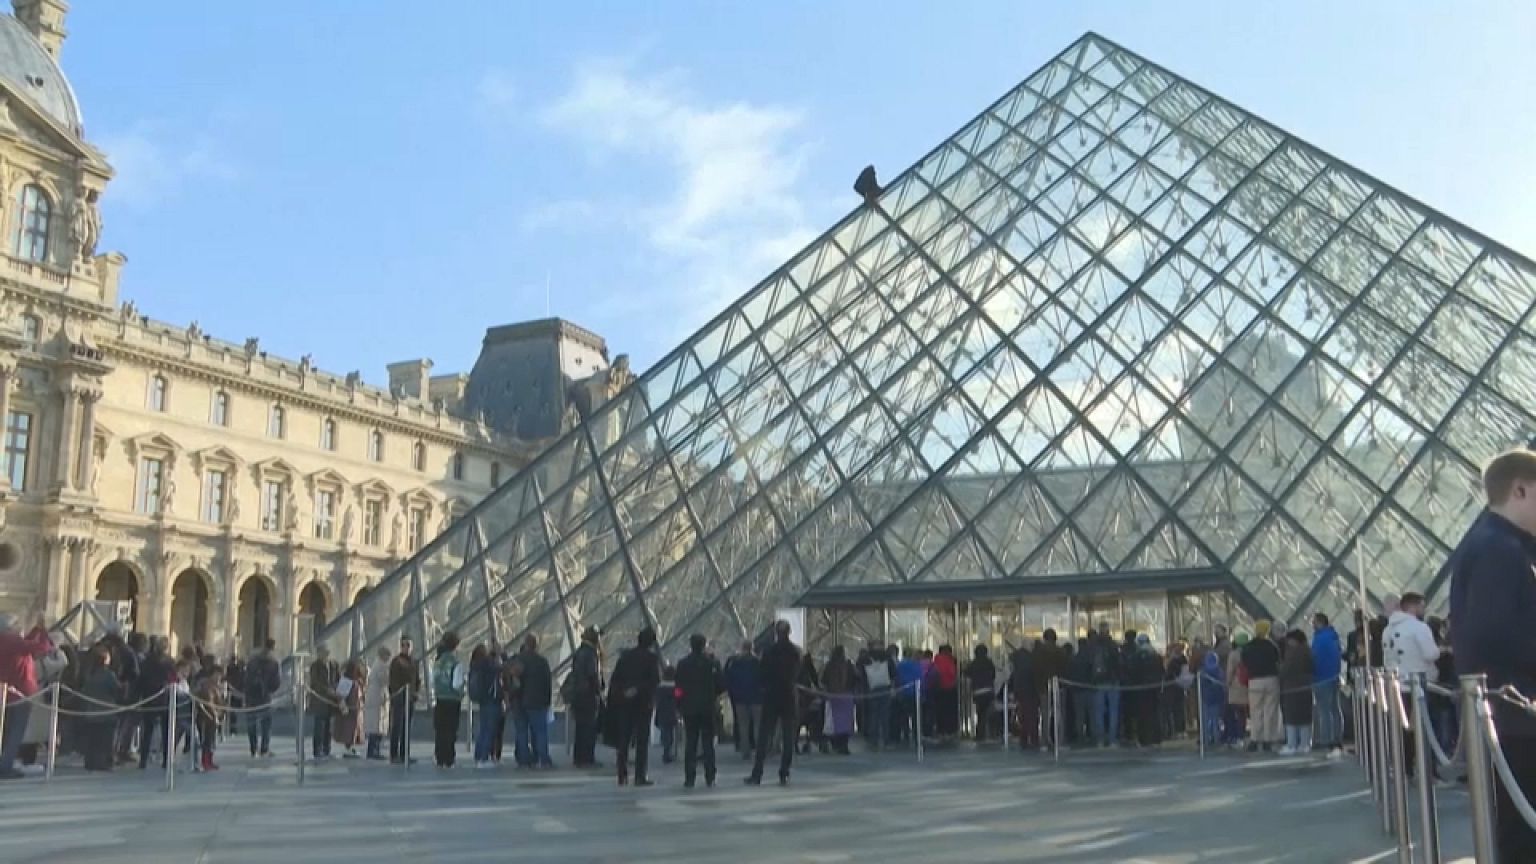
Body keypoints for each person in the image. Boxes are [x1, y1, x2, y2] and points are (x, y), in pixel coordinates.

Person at [1384, 591, 1439, 776]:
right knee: (1425, 730)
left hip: (1398, 685)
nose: (1423, 609)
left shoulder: (1387, 630)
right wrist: (1440, 651)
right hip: (1420, 684)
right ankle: (1428, 771)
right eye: (1422, 606)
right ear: (1413, 606)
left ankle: (1404, 767)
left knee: (1403, 730)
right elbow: (1430, 654)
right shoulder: (1419, 628)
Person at [747, 620, 801, 786]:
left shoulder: (769, 651)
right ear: (789, 632)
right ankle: (784, 772)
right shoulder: (795, 652)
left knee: (764, 736)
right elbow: (797, 673)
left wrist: (765, 686)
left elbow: (761, 674)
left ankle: (757, 773)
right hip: (788, 695)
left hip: (771, 696)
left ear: (776, 633)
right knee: (788, 736)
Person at [611, 627, 662, 786]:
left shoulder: (625, 657)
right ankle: (640, 776)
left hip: (624, 702)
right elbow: (654, 681)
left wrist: (624, 692)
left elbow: (615, 679)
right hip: (643, 703)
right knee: (642, 740)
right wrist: (638, 689)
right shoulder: (651, 658)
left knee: (624, 739)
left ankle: (622, 774)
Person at [675, 633, 724, 788]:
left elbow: (678, 688)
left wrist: (679, 704)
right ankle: (710, 776)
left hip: (689, 708)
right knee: (708, 742)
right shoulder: (712, 663)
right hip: (707, 707)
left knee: (691, 742)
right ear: (704, 645)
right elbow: (721, 685)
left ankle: (690, 777)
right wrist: (714, 695)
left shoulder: (682, 664)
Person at [564, 627, 603, 768]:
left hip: (578, 695)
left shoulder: (579, 652)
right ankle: (587, 758)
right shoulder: (591, 653)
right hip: (588, 696)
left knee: (580, 728)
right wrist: (599, 690)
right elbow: (593, 675)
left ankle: (579, 758)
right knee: (589, 728)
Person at [513, 634, 553, 769]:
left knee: (522, 732)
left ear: (525, 644)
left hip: (519, 701)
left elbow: (514, 679)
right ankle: (543, 759)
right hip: (537, 701)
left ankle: (524, 760)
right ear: (536, 645)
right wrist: (548, 701)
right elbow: (547, 683)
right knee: (540, 731)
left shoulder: (519, 660)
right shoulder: (542, 661)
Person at [79, 644, 120, 772]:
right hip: (106, 712)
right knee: (106, 740)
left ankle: (90, 761)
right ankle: (105, 762)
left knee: (92, 739)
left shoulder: (89, 674)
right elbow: (116, 689)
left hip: (91, 712)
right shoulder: (109, 675)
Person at [1243, 621, 1282, 752]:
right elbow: (1277, 661)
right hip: (1271, 679)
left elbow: (1244, 662)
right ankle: (1268, 739)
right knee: (1271, 710)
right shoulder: (1272, 645)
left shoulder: (1248, 647)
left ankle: (1255, 738)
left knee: (1255, 711)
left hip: (1254, 680)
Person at [137, 637, 174, 769]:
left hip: (150, 697)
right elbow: (172, 678)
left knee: (148, 731)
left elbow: (141, 679)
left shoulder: (146, 661)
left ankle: (143, 760)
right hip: (164, 698)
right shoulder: (169, 662)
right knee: (166, 731)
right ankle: (166, 759)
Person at [1311, 612, 1344, 759]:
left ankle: (1327, 740)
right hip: (1334, 677)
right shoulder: (1333, 637)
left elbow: (1315, 657)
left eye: (1314, 622)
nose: (1312, 625)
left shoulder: (1319, 638)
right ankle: (1337, 738)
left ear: (1319, 623)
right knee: (1335, 709)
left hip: (1321, 678)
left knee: (1324, 710)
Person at [1278, 630, 1315, 756]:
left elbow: (1285, 670)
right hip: (1306, 686)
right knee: (1305, 717)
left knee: (1291, 717)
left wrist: (1280, 670)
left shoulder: (1292, 653)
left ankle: (1291, 744)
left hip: (1292, 687)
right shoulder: (1307, 650)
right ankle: (1305, 743)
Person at [431, 632, 465, 768]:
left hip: (440, 699)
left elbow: (433, 680)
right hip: (452, 700)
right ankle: (449, 758)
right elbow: (456, 684)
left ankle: (439, 757)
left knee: (440, 729)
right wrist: (462, 692)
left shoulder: (437, 662)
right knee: (451, 730)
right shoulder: (456, 663)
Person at [724, 641, 762, 759]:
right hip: (756, 697)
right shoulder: (758, 662)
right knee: (757, 724)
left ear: (742, 648)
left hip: (740, 698)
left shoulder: (735, 662)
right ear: (752, 648)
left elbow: (729, 678)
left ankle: (745, 750)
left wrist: (733, 693)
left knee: (743, 725)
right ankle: (759, 749)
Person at [468, 644, 502, 769]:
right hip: (491, 700)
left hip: (482, 700)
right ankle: (483, 758)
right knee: (489, 730)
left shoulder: (475, 666)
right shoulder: (488, 665)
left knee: (483, 729)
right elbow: (500, 668)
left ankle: (478, 756)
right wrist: (498, 655)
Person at [1086, 622, 1121, 748]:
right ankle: (1112, 739)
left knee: (1098, 712)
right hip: (1113, 681)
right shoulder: (1113, 645)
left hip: (1098, 682)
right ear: (1108, 631)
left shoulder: (1093, 646)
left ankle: (1100, 740)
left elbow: (1089, 664)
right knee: (1113, 711)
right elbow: (1118, 663)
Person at [244, 639, 280, 758]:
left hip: (251, 696)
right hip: (265, 697)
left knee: (251, 723)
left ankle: (253, 748)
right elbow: (276, 683)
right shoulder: (273, 663)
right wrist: (270, 690)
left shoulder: (252, 661)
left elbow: (246, 678)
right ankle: (264, 749)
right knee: (266, 724)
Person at [388, 636, 421, 764]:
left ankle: (405, 754)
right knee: (397, 726)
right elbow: (393, 681)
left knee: (406, 727)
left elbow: (416, 679)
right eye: (404, 645)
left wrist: (416, 692)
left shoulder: (414, 661)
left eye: (409, 645)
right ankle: (394, 754)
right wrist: (396, 694)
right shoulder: (396, 662)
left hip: (410, 698)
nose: (407, 647)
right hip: (399, 698)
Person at [1128, 635, 1163, 747]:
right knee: (1154, 713)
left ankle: (1144, 739)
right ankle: (1156, 738)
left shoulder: (1136, 656)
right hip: (1154, 688)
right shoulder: (1156, 656)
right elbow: (1161, 672)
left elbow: (1132, 672)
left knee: (1142, 715)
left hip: (1141, 689)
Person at [860, 644, 896, 751]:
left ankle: (873, 741)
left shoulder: (866, 659)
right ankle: (886, 740)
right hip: (885, 688)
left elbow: (862, 675)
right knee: (885, 716)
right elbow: (893, 674)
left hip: (871, 689)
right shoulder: (887, 658)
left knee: (873, 715)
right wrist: (892, 687)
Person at [822, 646, 856, 755]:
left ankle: (834, 744)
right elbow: (856, 678)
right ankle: (843, 746)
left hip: (833, 697)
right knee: (846, 722)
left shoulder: (829, 665)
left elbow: (824, 680)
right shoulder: (849, 665)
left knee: (832, 722)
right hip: (846, 697)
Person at [307, 647, 340, 760]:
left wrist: (336, 689)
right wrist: (327, 690)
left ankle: (327, 749)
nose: (325, 656)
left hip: (331, 700)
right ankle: (317, 750)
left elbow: (338, 679)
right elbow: (315, 682)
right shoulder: (315, 666)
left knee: (328, 727)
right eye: (322, 653)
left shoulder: (334, 664)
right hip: (320, 700)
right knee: (319, 726)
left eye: (326, 653)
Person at [194, 664, 224, 770]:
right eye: (217, 674)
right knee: (207, 740)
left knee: (211, 740)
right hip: (207, 717)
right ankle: (205, 762)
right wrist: (215, 715)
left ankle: (209, 761)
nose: (219, 677)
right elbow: (209, 702)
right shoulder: (208, 686)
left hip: (213, 716)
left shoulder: (215, 686)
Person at [365, 646, 391, 760]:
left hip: (376, 696)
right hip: (378, 697)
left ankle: (374, 750)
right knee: (377, 725)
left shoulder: (377, 664)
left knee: (376, 725)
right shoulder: (381, 666)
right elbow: (384, 680)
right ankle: (373, 751)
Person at [334, 659, 364, 759]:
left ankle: (351, 747)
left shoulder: (357, 681)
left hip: (356, 709)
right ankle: (348, 748)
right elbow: (340, 696)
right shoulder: (346, 681)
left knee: (355, 729)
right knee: (348, 729)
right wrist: (343, 707)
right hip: (349, 709)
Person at [1225, 633, 1250, 747]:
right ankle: (1243, 736)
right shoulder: (1248, 652)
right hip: (1247, 684)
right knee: (1244, 714)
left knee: (1235, 713)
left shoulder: (1233, 654)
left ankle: (1237, 737)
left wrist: (1227, 682)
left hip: (1235, 685)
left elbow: (1230, 671)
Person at [967, 645, 996, 741]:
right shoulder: (989, 662)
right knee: (987, 712)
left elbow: (967, 673)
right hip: (988, 690)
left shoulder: (973, 663)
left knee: (980, 712)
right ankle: (989, 732)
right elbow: (993, 675)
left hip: (977, 691)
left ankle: (980, 733)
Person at [1199, 649, 1226, 748]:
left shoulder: (1203, 671)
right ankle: (1217, 738)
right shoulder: (1219, 671)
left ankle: (1206, 739)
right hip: (1216, 698)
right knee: (1216, 720)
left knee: (1205, 720)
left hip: (1205, 697)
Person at [655, 663, 679, 764]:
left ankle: (666, 752)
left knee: (665, 733)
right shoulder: (675, 688)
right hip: (672, 712)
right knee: (670, 734)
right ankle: (667, 754)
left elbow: (656, 700)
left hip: (662, 712)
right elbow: (679, 697)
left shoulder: (659, 687)